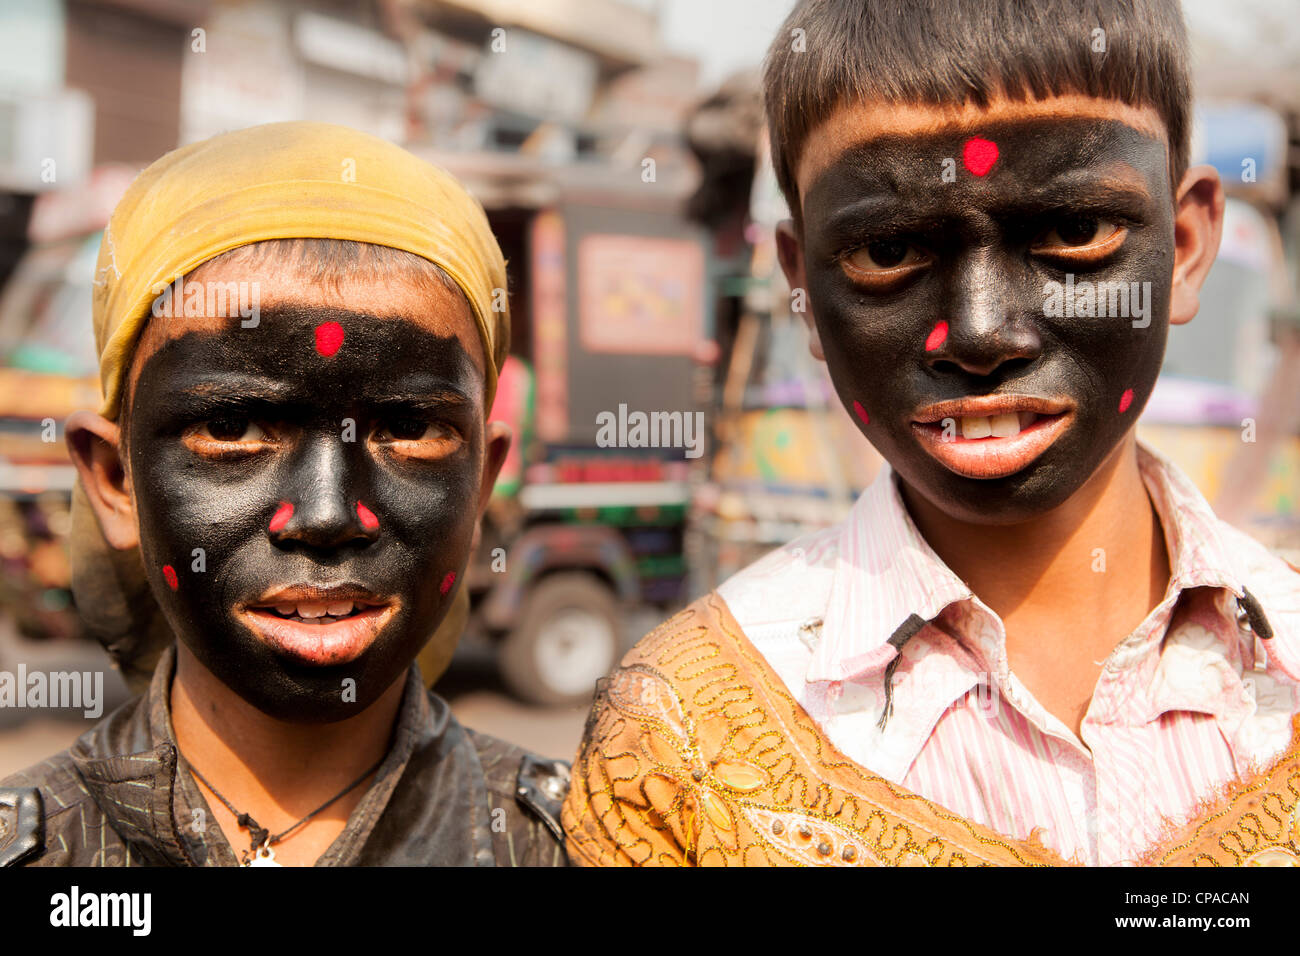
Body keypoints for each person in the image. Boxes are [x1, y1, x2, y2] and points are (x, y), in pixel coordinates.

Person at [563, 0, 1300, 866]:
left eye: (1072, 232)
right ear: (802, 287)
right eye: (887, 250)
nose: (981, 334)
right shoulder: (674, 747)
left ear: (1182, 248)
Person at [0, 122, 569, 867]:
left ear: (482, 484)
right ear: (114, 481)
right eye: (232, 426)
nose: (328, 516)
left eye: (407, 426)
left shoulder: (577, 846)